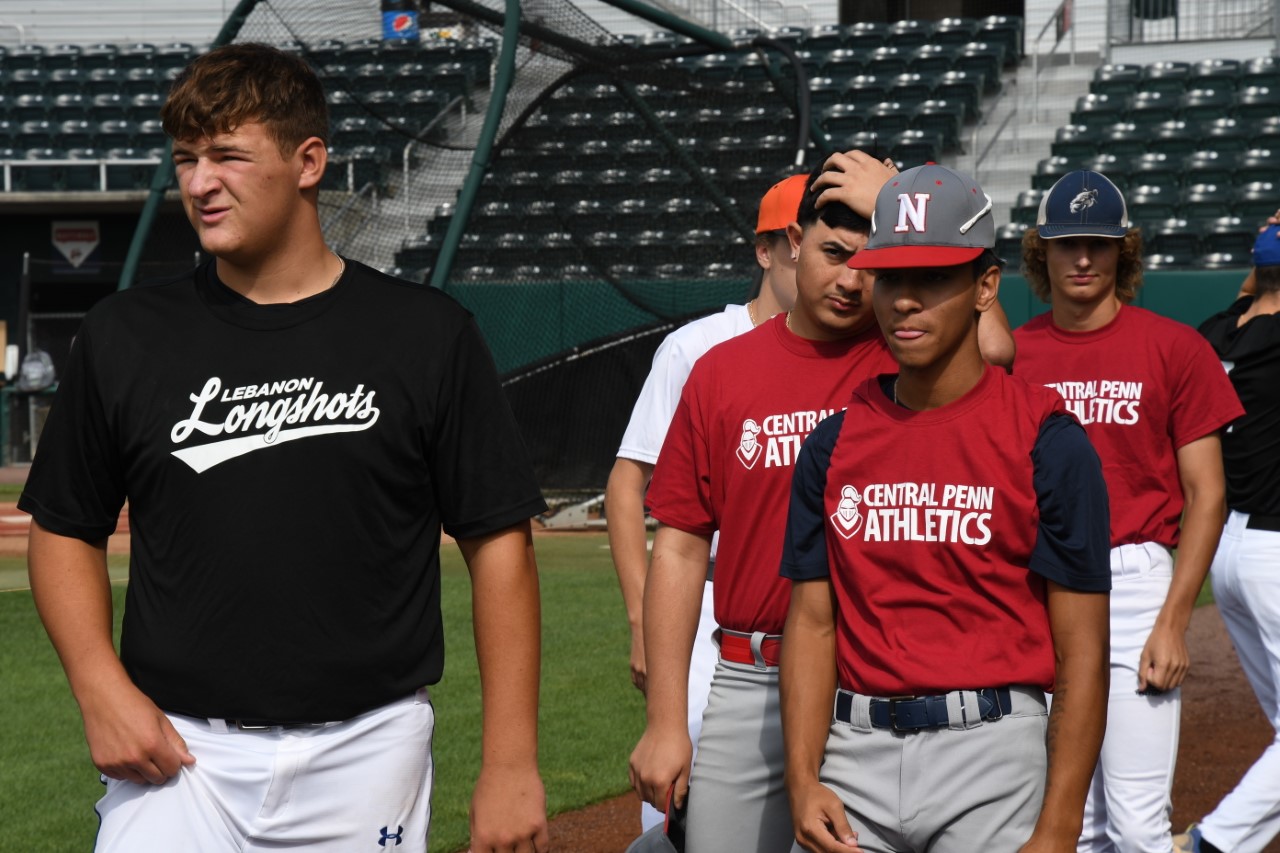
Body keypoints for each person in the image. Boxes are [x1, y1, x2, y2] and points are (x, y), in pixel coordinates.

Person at [19, 43, 548, 853]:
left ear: (308, 162)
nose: (199, 183)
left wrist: (510, 761)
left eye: (228, 155)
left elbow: (498, 544)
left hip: (367, 750)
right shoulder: (124, 336)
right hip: (177, 754)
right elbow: (63, 527)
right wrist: (98, 688)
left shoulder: (425, 335)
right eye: (187, 159)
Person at [628, 154, 1014, 852]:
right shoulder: (722, 371)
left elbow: (996, 345)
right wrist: (664, 719)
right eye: (834, 252)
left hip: (868, 686)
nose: (849, 280)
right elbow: (681, 545)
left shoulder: (903, 356)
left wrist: (892, 198)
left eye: (872, 263)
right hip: (752, 675)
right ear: (794, 241)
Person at [780, 162, 1112, 853]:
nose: (905, 301)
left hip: (992, 751)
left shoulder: (1050, 442)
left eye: (933, 278)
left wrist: (1057, 827)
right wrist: (802, 779)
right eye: (892, 277)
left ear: (985, 286)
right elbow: (812, 625)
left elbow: (1083, 648)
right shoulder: (832, 444)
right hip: (854, 755)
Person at [1016, 170, 1243, 853]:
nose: (1082, 259)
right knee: (1070, 823)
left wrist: (1173, 621)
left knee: (1139, 821)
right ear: (1041, 253)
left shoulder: (1174, 347)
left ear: (1124, 251)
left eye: (1098, 243)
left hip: (1134, 580)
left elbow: (1208, 494)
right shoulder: (1009, 356)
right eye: (1066, 244)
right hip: (1042, 582)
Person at [608, 171, 806, 837]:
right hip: (709, 606)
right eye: (790, 240)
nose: (805, 255)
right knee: (674, 800)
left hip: (814, 612)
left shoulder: (852, 350)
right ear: (764, 250)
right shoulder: (695, 347)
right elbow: (627, 482)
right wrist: (642, 617)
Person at [1175, 226, 1280, 853]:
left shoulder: (1218, 330)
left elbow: (1255, 289)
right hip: (1273, 552)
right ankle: (1213, 843)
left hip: (1226, 550)